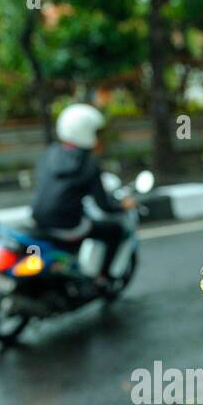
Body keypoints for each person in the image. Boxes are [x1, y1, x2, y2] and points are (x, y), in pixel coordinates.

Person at [30, 103, 137, 278]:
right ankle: (102, 278)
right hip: (68, 224)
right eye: (96, 132)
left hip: (38, 218)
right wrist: (123, 205)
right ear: (85, 131)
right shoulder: (88, 164)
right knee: (115, 231)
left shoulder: (51, 153)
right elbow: (104, 206)